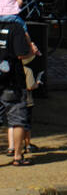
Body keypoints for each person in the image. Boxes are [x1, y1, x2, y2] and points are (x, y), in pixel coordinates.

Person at [0, 16, 34, 164]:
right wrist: (31, 49)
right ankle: (18, 156)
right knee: (17, 119)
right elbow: (21, 53)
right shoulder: (16, 27)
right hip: (11, 81)